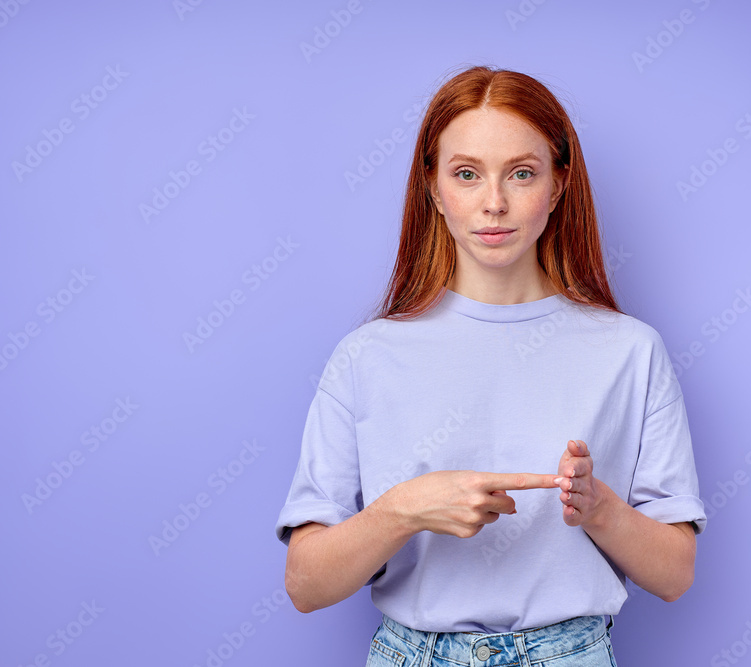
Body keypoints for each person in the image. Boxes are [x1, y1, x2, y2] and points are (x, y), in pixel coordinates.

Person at [275, 64, 707, 666]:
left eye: (522, 173)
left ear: (559, 185)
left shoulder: (630, 351)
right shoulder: (366, 357)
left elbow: (675, 575)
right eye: (467, 174)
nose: (494, 203)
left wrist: (599, 507)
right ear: (432, 187)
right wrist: (406, 508)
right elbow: (305, 584)